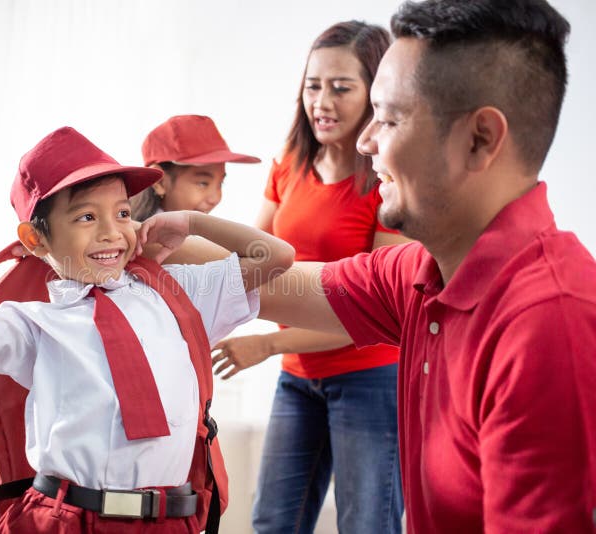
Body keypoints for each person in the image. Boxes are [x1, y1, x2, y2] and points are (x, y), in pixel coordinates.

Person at [245, 1, 596, 532]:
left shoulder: (551, 322)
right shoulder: (418, 272)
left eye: (386, 118)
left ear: (479, 139)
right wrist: (146, 238)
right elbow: (276, 283)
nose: (366, 142)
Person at [0, 126, 294, 533]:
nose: (111, 232)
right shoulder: (38, 324)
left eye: (123, 213)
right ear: (36, 240)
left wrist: (191, 222)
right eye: (87, 217)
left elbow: (277, 256)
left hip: (169, 519)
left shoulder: (176, 295)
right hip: (66, 518)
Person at [211, 21, 409, 534]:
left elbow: (379, 309)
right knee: (274, 522)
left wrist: (266, 346)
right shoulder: (289, 164)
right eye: (312, 85)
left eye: (341, 88)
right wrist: (185, 224)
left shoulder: (388, 186)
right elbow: (251, 255)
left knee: (368, 524)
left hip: (372, 377)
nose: (322, 101)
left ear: (374, 95)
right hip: (301, 379)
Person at [130, 114, 260, 221]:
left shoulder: (194, 233)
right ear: (159, 182)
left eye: (220, 183)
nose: (215, 198)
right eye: (203, 183)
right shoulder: (156, 241)